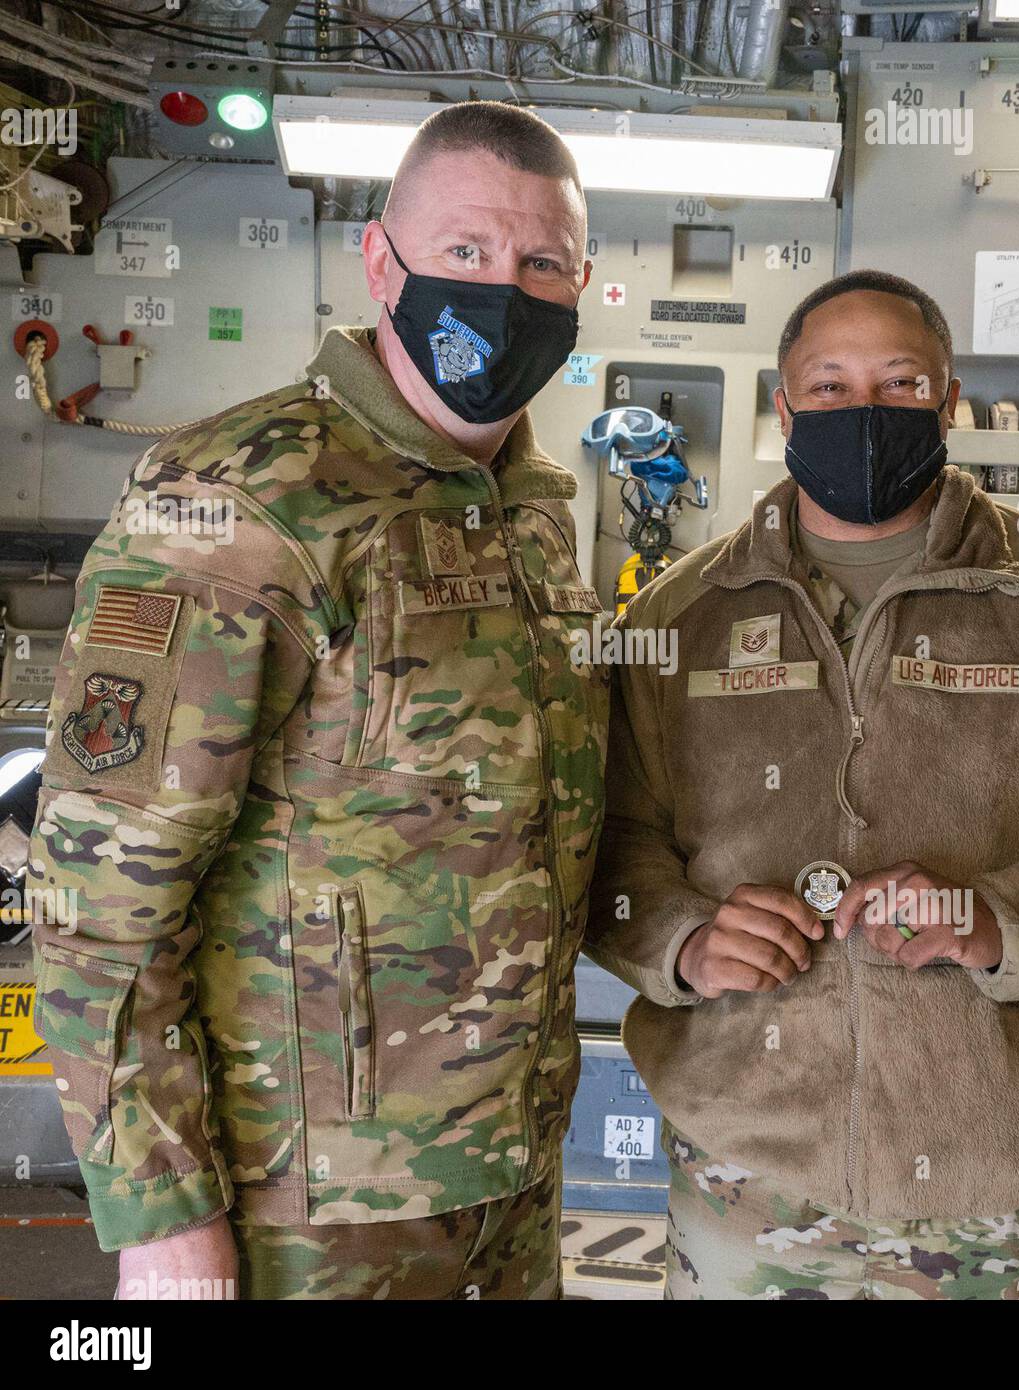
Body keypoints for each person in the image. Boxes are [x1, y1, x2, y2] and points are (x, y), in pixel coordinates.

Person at [27, 100, 608, 1300]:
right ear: (378, 260)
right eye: (465, 253)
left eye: (538, 261)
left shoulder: (536, 506)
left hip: (508, 1177)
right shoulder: (240, 498)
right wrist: (158, 1208)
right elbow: (98, 892)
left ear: (581, 283)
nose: (504, 289)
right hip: (303, 1202)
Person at [586, 270, 1019, 1300]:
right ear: (783, 405)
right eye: (831, 384)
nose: (864, 412)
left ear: (947, 403)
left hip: (1006, 1193)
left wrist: (999, 923)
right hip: (748, 1186)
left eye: (899, 385)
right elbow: (607, 836)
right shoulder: (681, 616)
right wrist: (681, 935)